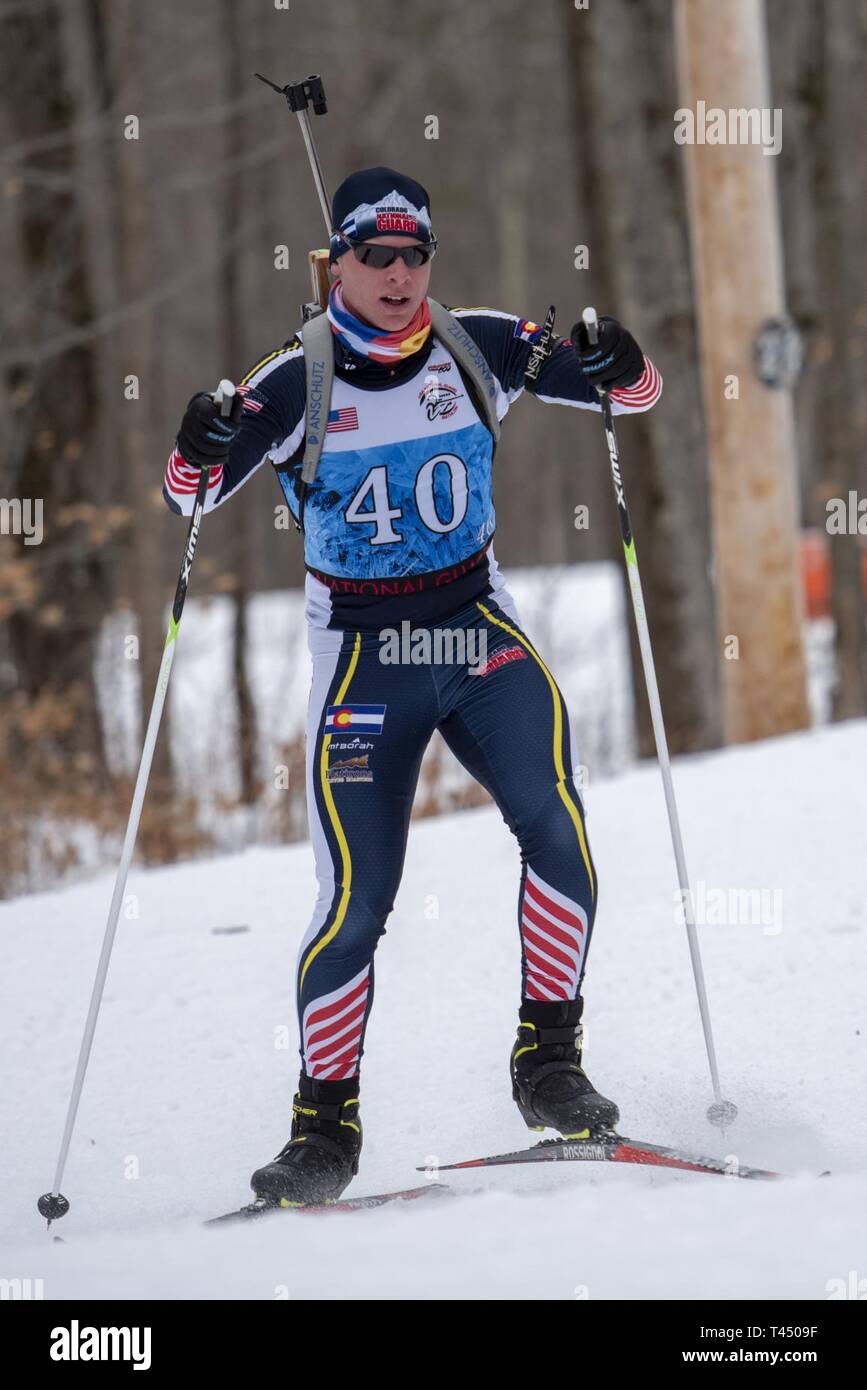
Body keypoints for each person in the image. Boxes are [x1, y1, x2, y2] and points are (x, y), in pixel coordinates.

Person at [165, 167, 662, 1205]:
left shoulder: (478, 344)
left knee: (560, 827)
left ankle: (549, 1060)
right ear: (338, 261)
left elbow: (632, 394)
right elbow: (191, 496)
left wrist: (623, 359)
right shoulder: (299, 376)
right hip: (362, 652)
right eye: (375, 255)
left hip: (472, 628)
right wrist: (195, 440)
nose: (397, 274)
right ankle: (322, 1129)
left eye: (414, 254)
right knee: (355, 899)